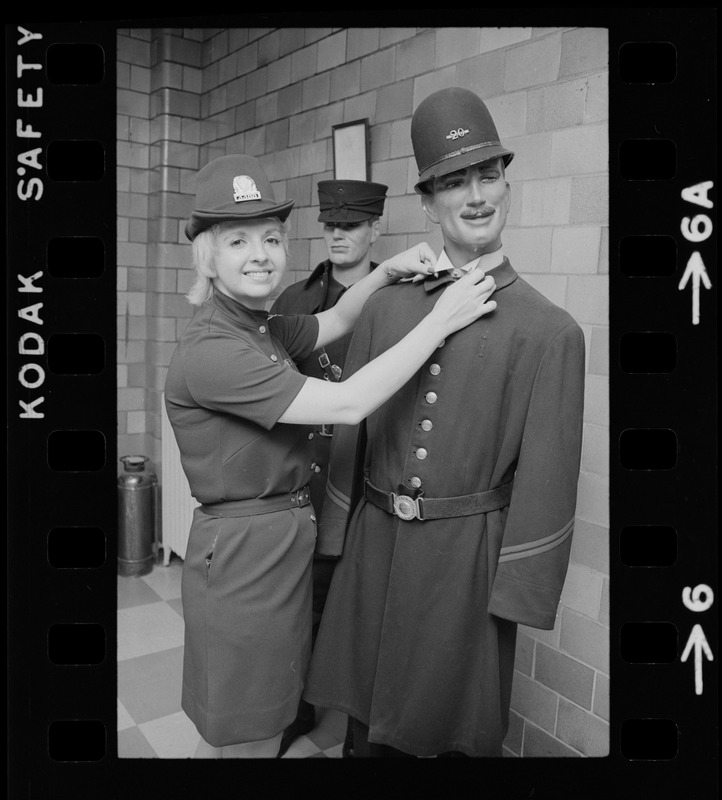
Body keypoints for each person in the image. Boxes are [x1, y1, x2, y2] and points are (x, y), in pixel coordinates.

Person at [163, 153, 498, 758]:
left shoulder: (257, 327)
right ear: (207, 257)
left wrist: (388, 269)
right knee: (249, 736)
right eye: (238, 241)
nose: (260, 254)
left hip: (278, 547)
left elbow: (340, 317)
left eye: (270, 238)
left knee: (263, 723)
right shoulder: (212, 350)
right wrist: (441, 321)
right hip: (243, 562)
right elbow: (347, 404)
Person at [304, 87, 586, 758]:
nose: (476, 195)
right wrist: (338, 533)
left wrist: (518, 592)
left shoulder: (550, 332)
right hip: (375, 552)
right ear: (428, 202)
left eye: (489, 176)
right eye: (454, 183)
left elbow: (548, 482)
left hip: (468, 570)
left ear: (507, 188)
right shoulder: (385, 309)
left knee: (449, 737)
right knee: (364, 733)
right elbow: (354, 432)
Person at [270, 179, 388, 755]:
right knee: (297, 612)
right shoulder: (294, 300)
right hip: (301, 480)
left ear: (375, 229)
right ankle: (293, 723)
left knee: (351, 613)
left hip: (360, 480)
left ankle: (339, 730)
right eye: (331, 225)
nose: (338, 235)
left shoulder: (396, 299)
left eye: (352, 225)